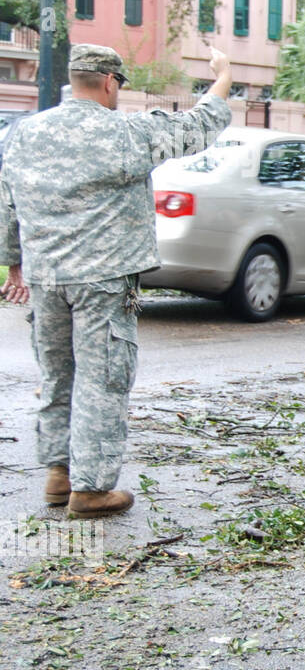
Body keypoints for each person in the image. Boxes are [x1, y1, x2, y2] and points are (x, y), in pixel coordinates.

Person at [0, 44, 232, 518]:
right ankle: (91, 490)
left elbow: (8, 199)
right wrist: (223, 77)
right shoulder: (125, 132)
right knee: (103, 380)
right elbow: (199, 126)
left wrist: (12, 262)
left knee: (57, 375)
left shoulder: (25, 134)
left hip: (47, 277)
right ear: (109, 82)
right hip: (103, 280)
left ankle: (58, 475)